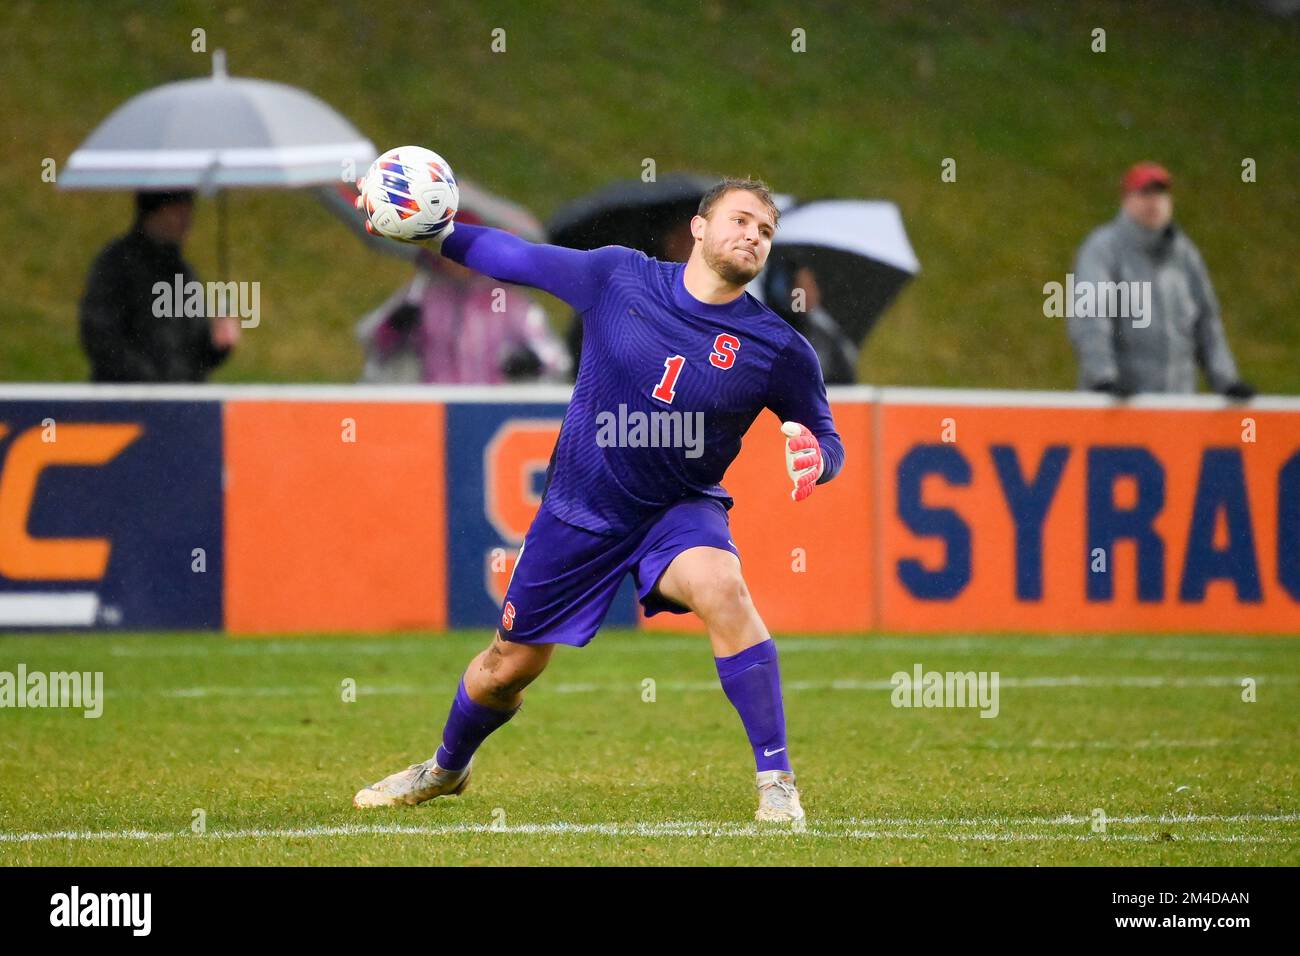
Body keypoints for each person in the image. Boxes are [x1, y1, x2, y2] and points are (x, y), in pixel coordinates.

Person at [352, 177, 846, 825]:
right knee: (505, 670)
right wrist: (436, 232)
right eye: (741, 220)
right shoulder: (619, 277)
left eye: (765, 230)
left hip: (679, 508)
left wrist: (818, 457)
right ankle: (446, 767)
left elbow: (825, 434)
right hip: (580, 510)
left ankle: (776, 782)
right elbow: (516, 257)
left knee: (723, 587)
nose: (753, 236)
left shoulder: (778, 348)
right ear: (699, 228)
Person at [1068, 162, 1254, 399]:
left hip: (1176, 408)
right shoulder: (1102, 249)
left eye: (1161, 193)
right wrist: (1103, 379)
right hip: (1120, 407)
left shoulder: (1184, 254)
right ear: (1126, 200)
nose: (1154, 201)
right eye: (1145, 193)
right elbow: (1090, 317)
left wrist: (1227, 381)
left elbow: (1207, 322)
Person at [78, 191, 238, 382]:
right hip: (128, 402)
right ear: (153, 213)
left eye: (188, 213)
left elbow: (197, 352)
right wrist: (151, 383)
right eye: (178, 213)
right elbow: (100, 338)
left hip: (181, 403)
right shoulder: (116, 265)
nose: (186, 222)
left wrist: (217, 344)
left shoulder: (184, 273)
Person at [356, 247, 570, 384]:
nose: (456, 263)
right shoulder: (423, 295)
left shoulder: (506, 298)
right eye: (448, 255)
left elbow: (553, 356)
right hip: (435, 403)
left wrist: (529, 363)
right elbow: (374, 346)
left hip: (490, 403)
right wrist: (394, 327)